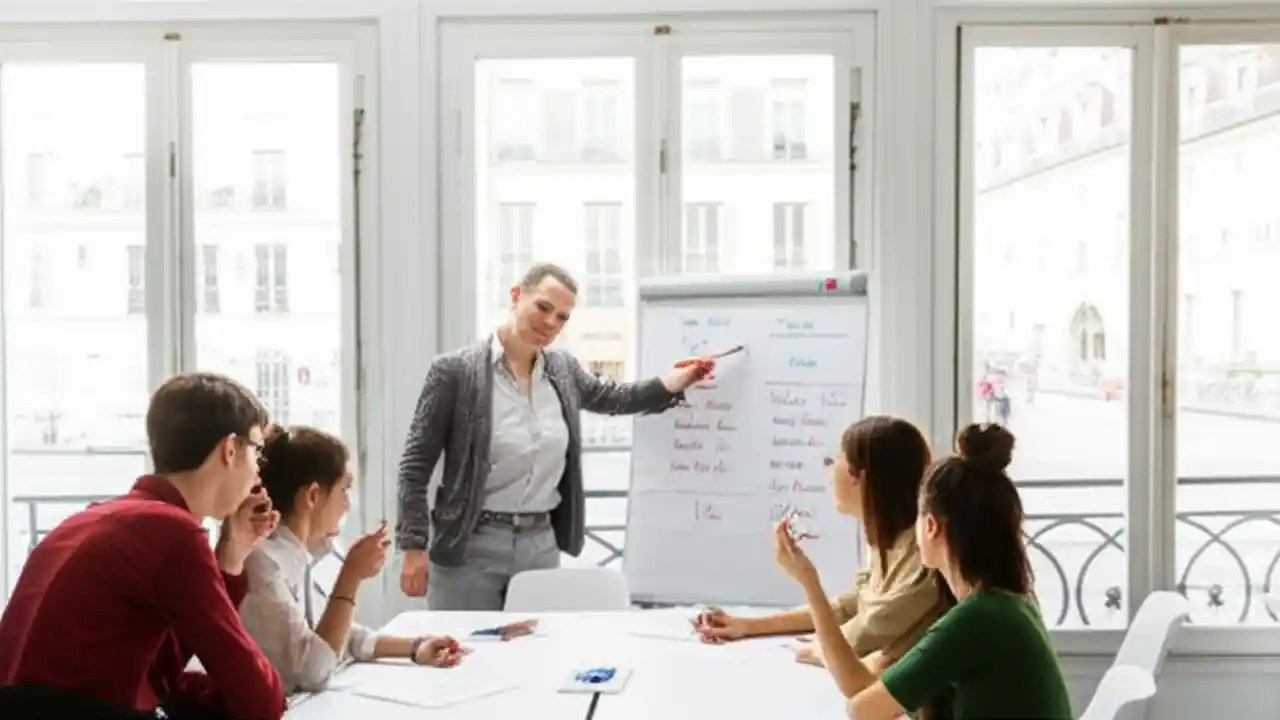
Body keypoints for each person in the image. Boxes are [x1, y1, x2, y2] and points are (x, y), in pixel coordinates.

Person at [397, 262, 714, 610]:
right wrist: (413, 546)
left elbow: (614, 398)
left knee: (536, 655)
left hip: (540, 545)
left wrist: (672, 382)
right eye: (543, 307)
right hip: (470, 544)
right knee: (463, 655)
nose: (550, 323)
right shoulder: (454, 371)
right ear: (517, 296)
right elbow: (415, 465)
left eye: (562, 317)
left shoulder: (563, 370)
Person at [0, 373, 286, 720]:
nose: (258, 473)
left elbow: (160, 671)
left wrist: (231, 557)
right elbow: (260, 699)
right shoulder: (173, 532)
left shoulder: (94, 517)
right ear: (229, 449)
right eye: (257, 451)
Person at [773, 423, 1072, 720]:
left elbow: (862, 708)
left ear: (930, 526)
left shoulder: (974, 619)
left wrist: (808, 581)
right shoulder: (1007, 604)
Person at [694, 416, 947, 690]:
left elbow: (861, 637)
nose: (829, 471)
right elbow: (847, 607)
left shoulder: (923, 554)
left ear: (860, 477)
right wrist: (747, 626)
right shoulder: (889, 541)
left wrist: (808, 585)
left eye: (834, 461)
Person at [240, 425, 466, 692]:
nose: (347, 505)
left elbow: (341, 636)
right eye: (344, 490)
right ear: (313, 496)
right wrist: (351, 577)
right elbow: (315, 670)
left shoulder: (304, 555)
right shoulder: (265, 563)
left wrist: (416, 647)